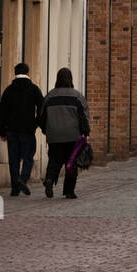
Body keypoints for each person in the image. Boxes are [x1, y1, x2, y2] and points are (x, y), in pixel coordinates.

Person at [38, 67, 90, 199]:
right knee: (71, 162)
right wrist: (85, 132)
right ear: (70, 79)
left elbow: (42, 117)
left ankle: (49, 179)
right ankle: (69, 191)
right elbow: (83, 117)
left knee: (54, 160)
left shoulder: (49, 96)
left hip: (54, 135)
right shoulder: (77, 96)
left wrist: (46, 130)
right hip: (72, 135)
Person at [0, 62, 44, 196]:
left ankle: (15, 188)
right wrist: (36, 123)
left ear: (15, 73)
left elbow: (1, 112)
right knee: (28, 156)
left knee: (14, 159)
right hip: (28, 130)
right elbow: (42, 107)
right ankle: (22, 179)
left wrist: (2, 130)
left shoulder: (9, 90)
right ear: (28, 73)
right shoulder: (34, 89)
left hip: (12, 130)